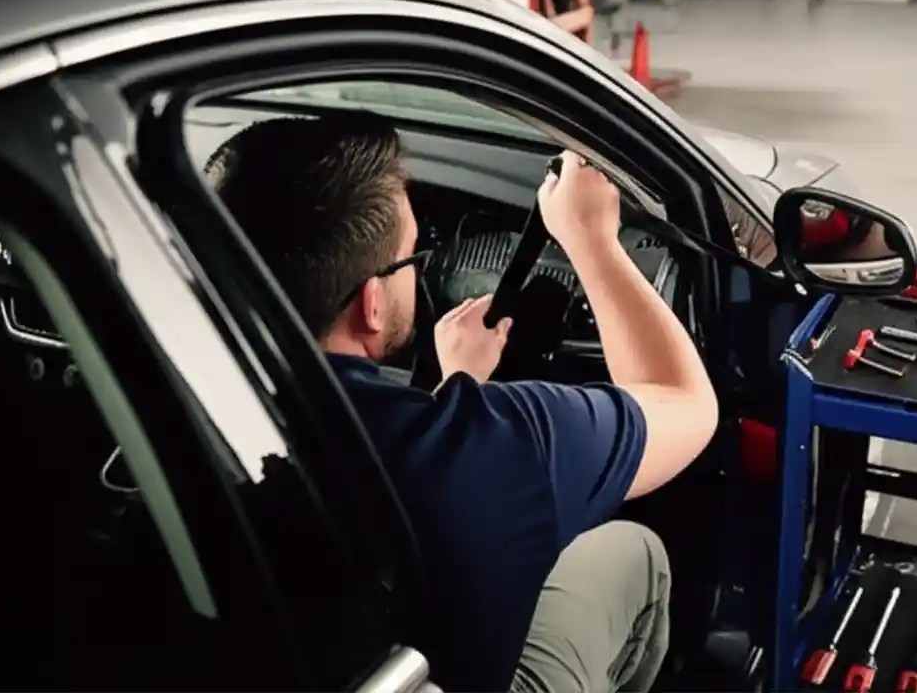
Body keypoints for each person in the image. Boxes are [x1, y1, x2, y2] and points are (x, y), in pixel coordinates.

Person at [204, 111, 719, 692]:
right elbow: (686, 403)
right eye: (411, 256)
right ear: (371, 304)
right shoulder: (497, 445)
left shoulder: (152, 398)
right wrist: (591, 241)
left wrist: (456, 387)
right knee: (633, 550)